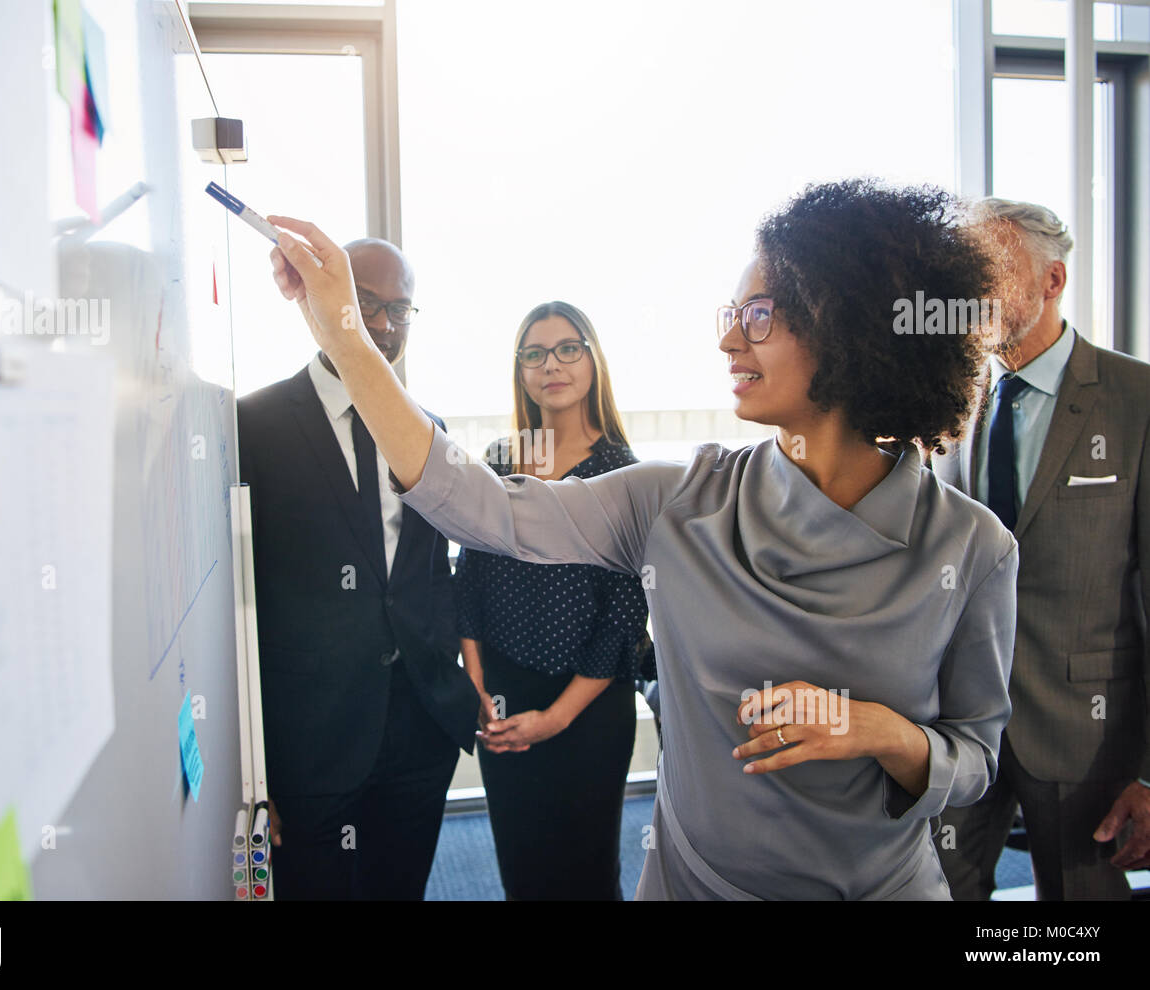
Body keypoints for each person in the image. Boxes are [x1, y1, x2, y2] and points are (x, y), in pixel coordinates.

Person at [265, 178, 1018, 900]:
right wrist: (345, 333)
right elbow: (480, 507)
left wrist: (887, 734)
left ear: (846, 324)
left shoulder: (973, 548)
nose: (728, 339)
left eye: (758, 314)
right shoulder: (678, 499)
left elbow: (978, 758)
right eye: (733, 312)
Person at [237, 237, 477, 900]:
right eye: (367, 303)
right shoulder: (252, 425)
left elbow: (430, 577)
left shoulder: (428, 429)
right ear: (327, 300)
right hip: (310, 749)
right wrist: (254, 772)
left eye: (400, 309)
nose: (384, 323)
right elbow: (241, 611)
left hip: (418, 733)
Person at [931, 198, 1150, 900]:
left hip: (1089, 735)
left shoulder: (1135, 398)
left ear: (1052, 282)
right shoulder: (953, 399)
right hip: (959, 719)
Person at [455, 301, 653, 900]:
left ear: (592, 361)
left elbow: (625, 618)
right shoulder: (500, 461)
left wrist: (556, 719)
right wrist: (477, 682)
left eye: (569, 348)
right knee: (522, 864)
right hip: (503, 692)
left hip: (588, 704)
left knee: (587, 872)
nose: (552, 365)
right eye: (535, 353)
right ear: (521, 371)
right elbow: (470, 576)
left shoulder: (624, 471)